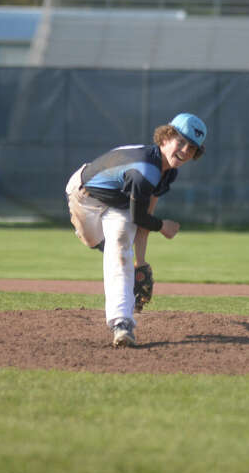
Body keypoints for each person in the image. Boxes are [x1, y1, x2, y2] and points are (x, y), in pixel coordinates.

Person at [65, 112, 207, 347]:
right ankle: (95, 239)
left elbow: (144, 218)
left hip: (121, 203)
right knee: (93, 241)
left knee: (120, 247)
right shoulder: (145, 168)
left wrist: (139, 263)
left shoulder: (167, 171)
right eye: (180, 141)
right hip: (84, 195)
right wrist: (164, 226)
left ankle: (122, 324)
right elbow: (140, 216)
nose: (184, 150)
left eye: (191, 148)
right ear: (165, 138)